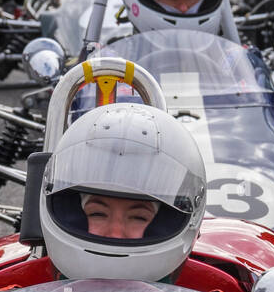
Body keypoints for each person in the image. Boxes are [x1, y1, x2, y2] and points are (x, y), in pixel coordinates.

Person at [39, 102, 207, 282]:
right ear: (71, 212)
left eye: (138, 217)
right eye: (98, 214)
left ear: (165, 220)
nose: (115, 233)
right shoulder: (15, 287)